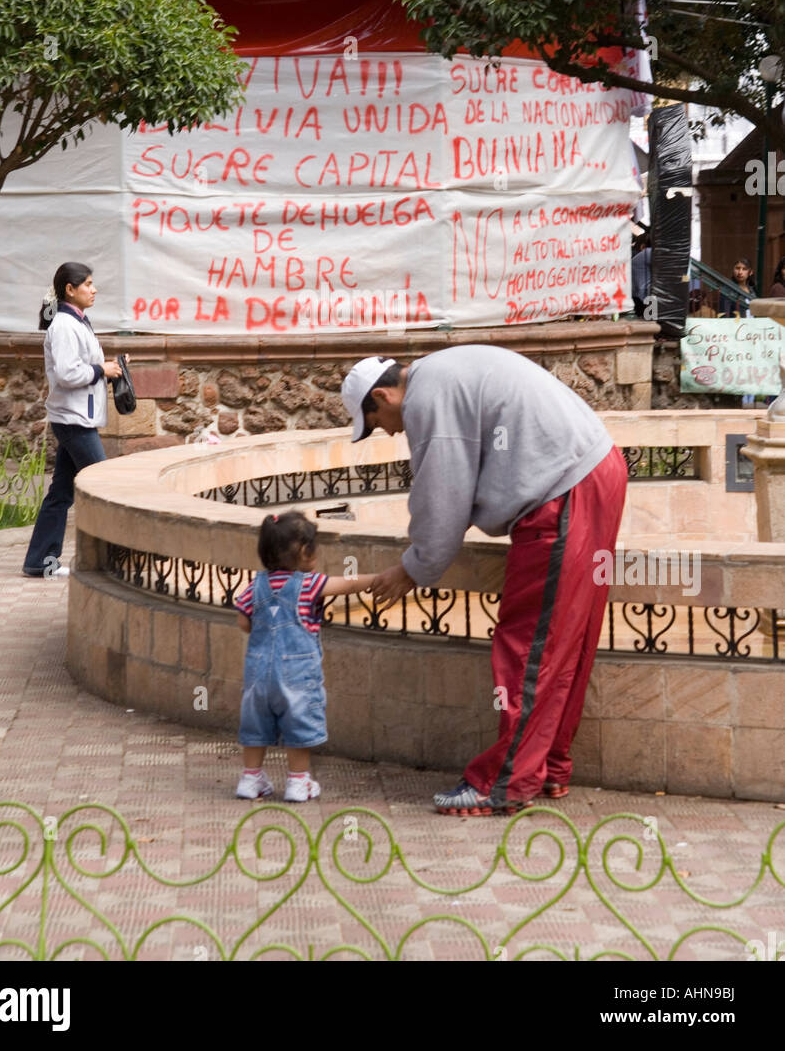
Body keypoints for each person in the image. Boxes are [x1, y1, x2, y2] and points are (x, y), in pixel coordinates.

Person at [341, 349, 627, 818]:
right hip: (593, 472)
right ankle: (547, 767)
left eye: (376, 422)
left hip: (563, 492)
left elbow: (442, 495)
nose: (389, 432)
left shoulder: (426, 398)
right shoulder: (445, 370)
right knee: (565, 641)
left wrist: (414, 568)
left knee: (529, 644)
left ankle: (504, 783)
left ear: (382, 394)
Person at [234, 511, 376, 803]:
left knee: (255, 725)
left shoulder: (255, 585)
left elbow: (244, 622)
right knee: (298, 723)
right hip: (297, 675)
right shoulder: (308, 585)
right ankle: (298, 783)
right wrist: (380, 578)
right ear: (305, 552)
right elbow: (348, 584)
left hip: (258, 675)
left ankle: (250, 779)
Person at [22, 262, 124, 579]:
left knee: (61, 493)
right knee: (105, 484)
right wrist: (101, 370)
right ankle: (116, 557)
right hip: (73, 420)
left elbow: (80, 368)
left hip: (77, 416)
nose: (94, 290)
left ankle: (40, 561)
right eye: (88, 284)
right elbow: (67, 374)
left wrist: (108, 369)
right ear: (70, 289)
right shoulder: (64, 326)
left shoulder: (77, 322)